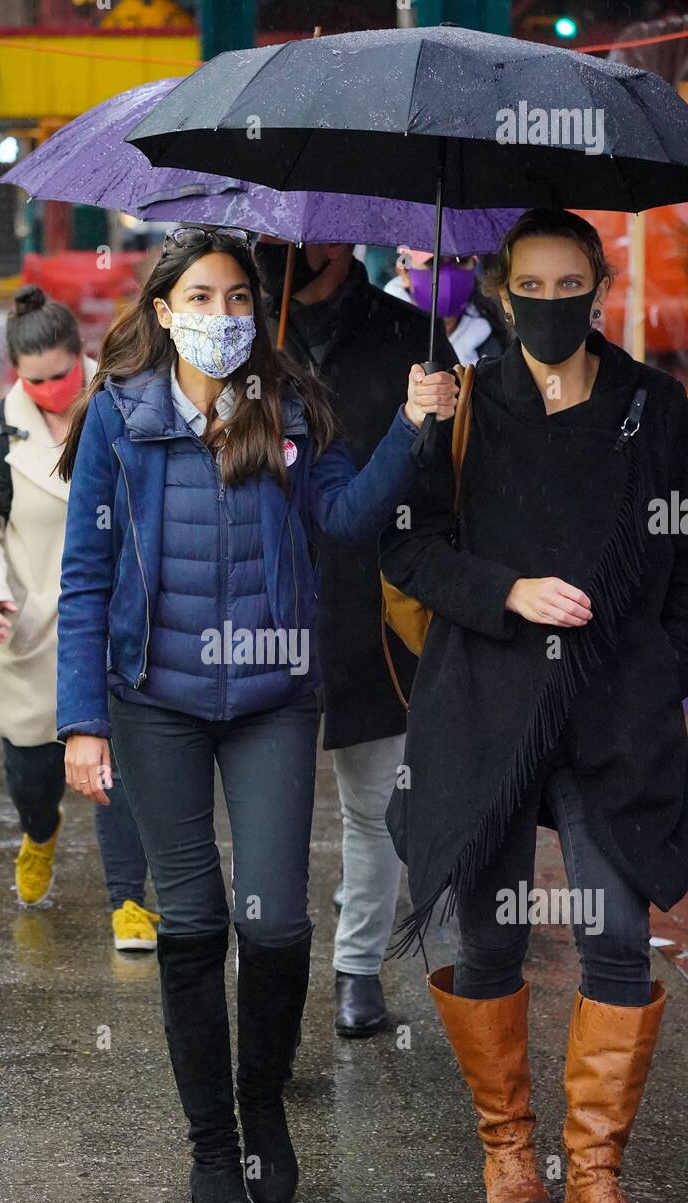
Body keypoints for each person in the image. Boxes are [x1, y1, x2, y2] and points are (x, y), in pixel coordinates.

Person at [55, 225, 457, 1203]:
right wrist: (80, 723)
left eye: (238, 299)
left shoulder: (286, 408)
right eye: (201, 296)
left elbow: (347, 520)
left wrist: (411, 429)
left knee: (274, 923)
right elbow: (83, 576)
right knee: (191, 926)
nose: (223, 316)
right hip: (156, 702)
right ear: (160, 309)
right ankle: (208, 1148)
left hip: (274, 695)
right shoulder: (117, 417)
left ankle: (261, 1100)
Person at [380, 207, 688, 1203]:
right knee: (489, 936)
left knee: (612, 929)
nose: (552, 305)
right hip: (483, 708)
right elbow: (406, 551)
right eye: (533, 287)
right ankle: (507, 1148)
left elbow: (681, 559)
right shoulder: (460, 404)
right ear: (500, 293)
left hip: (613, 716)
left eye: (571, 287)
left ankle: (596, 1179)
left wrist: (668, 674)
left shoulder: (655, 407)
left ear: (597, 289)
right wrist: (505, 589)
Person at [255, 237, 451, 1039]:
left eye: (305, 243)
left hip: (376, 605)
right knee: (269, 813)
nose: (288, 253)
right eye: (270, 242)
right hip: (264, 612)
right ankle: (268, 987)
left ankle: (358, 969)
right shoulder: (245, 337)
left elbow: (439, 476)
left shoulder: (410, 336)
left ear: (346, 239)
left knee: (374, 807)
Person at [0, 286, 158, 947]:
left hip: (117, 628)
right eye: (31, 381)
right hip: (30, 638)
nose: (48, 389)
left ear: (82, 355)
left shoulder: (127, 406)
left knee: (118, 773)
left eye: (61, 375)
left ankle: (129, 902)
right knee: (35, 781)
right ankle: (40, 833)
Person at [385, 249, 508, 365]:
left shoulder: (500, 337)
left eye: (460, 260)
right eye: (433, 262)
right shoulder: (379, 334)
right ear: (404, 273)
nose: (447, 275)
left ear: (474, 265)